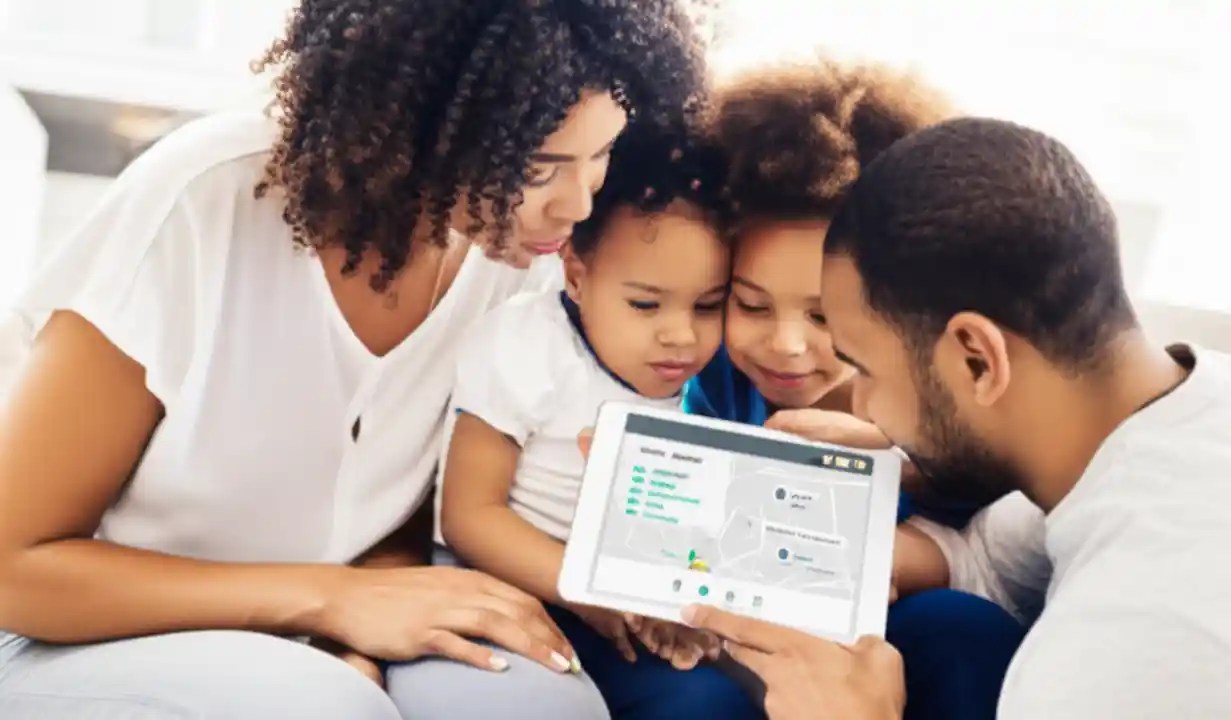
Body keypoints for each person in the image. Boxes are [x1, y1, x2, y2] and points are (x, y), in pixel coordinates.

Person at [0, 2, 709, 718]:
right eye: (539, 168)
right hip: (71, 631)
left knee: (532, 705)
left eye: (601, 155)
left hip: (336, 618)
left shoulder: (520, 260)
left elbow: (406, 510)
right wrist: (332, 603)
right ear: (414, 127)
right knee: (328, 708)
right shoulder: (203, 205)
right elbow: (14, 568)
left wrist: (364, 622)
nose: (579, 205)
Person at [682, 117, 1231, 718]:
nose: (861, 407)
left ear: (976, 359)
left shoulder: (1113, 659)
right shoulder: (1207, 409)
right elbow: (990, 559)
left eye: (864, 368)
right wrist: (823, 537)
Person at [684, 63, 1025, 720]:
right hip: (723, 630)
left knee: (965, 633)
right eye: (750, 305)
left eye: (824, 317)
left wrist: (886, 459)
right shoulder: (706, 375)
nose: (786, 346)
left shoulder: (949, 387)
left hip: (890, 643)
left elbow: (991, 528)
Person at [439, 121, 761, 719]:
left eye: (708, 306)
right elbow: (467, 516)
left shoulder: (715, 381)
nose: (681, 334)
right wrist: (599, 594)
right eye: (645, 304)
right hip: (524, 579)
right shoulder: (528, 342)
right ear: (577, 277)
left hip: (645, 602)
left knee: (716, 703)